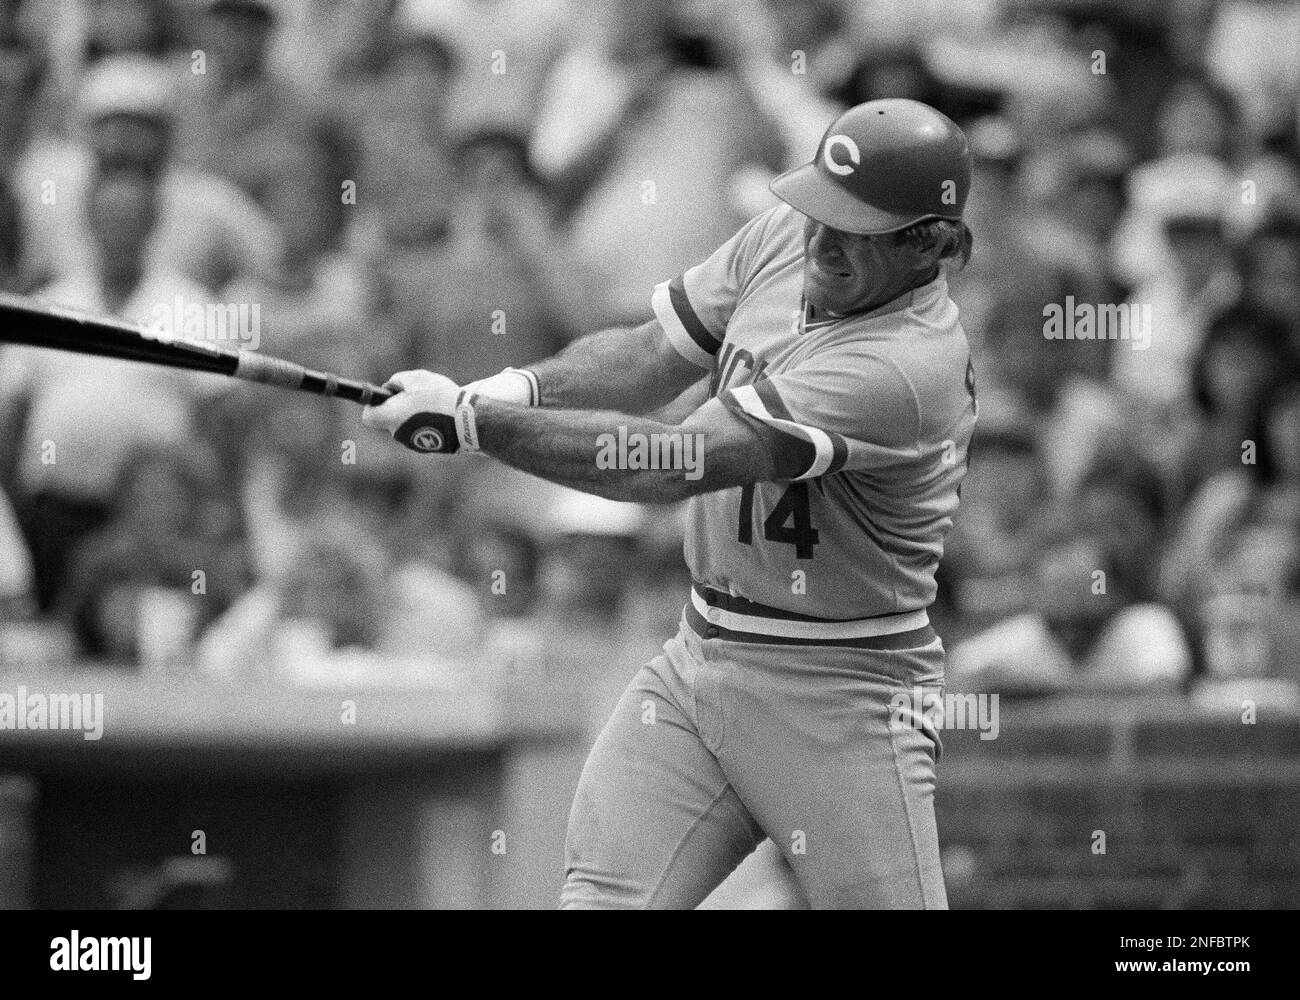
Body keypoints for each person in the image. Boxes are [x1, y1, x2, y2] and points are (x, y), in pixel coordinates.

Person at [362, 99, 978, 909]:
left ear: (927, 243)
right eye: (822, 211)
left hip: (841, 692)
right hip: (700, 658)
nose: (822, 241)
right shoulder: (788, 238)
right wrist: (505, 388)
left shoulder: (903, 366)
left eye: (856, 227)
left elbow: (671, 462)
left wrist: (477, 426)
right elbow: (651, 354)